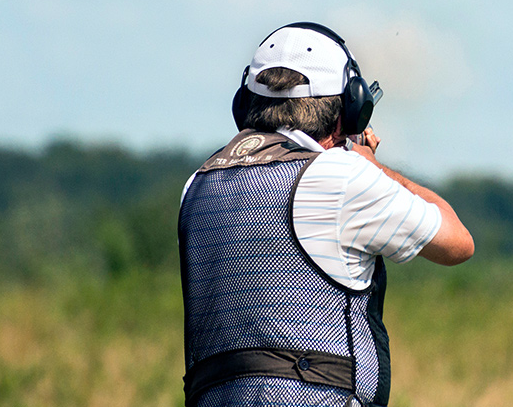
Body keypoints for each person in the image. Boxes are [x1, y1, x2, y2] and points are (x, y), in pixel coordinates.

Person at [178, 22, 474, 407]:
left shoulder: (199, 183)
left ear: (245, 104)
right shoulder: (341, 176)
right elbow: (456, 243)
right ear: (348, 112)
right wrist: (371, 166)